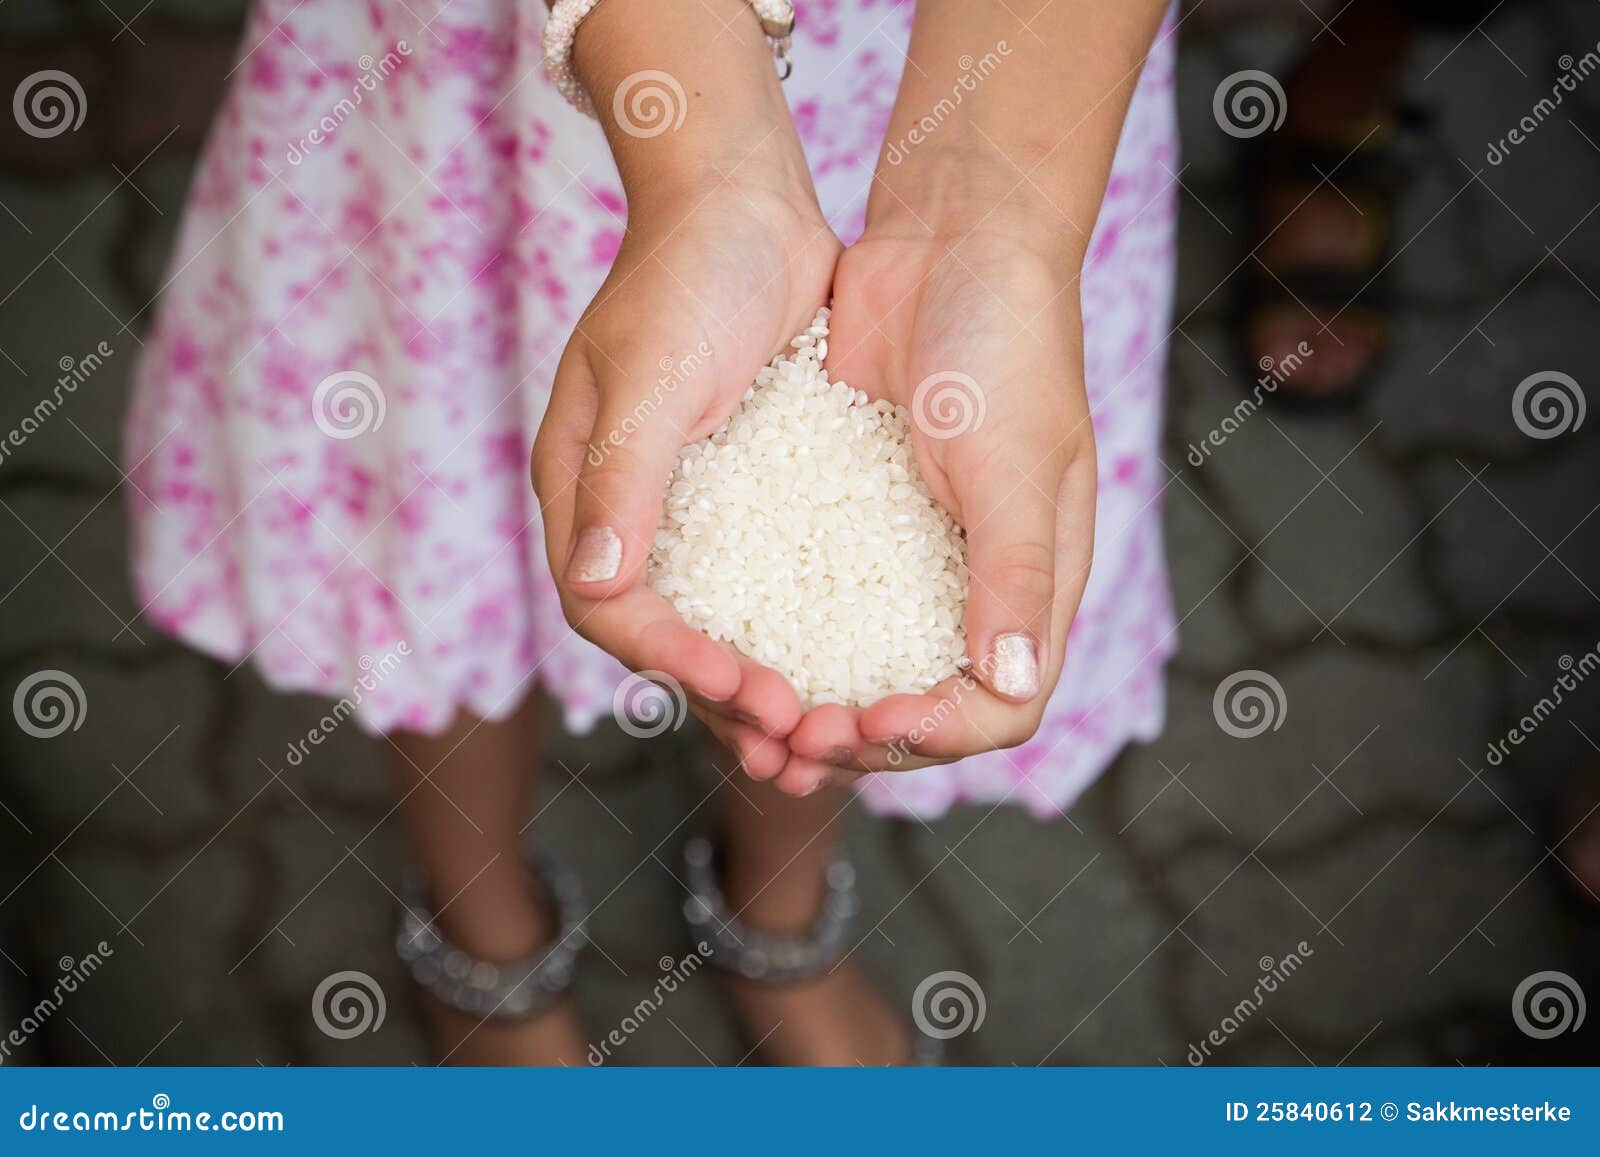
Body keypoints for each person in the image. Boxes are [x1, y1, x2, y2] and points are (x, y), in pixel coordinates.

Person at [125, 0, 1178, 1065]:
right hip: (518, 70)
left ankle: (777, 912)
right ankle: (484, 938)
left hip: (1012, 82)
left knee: (894, 494)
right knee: (436, 492)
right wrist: (706, 165)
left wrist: (985, 221)